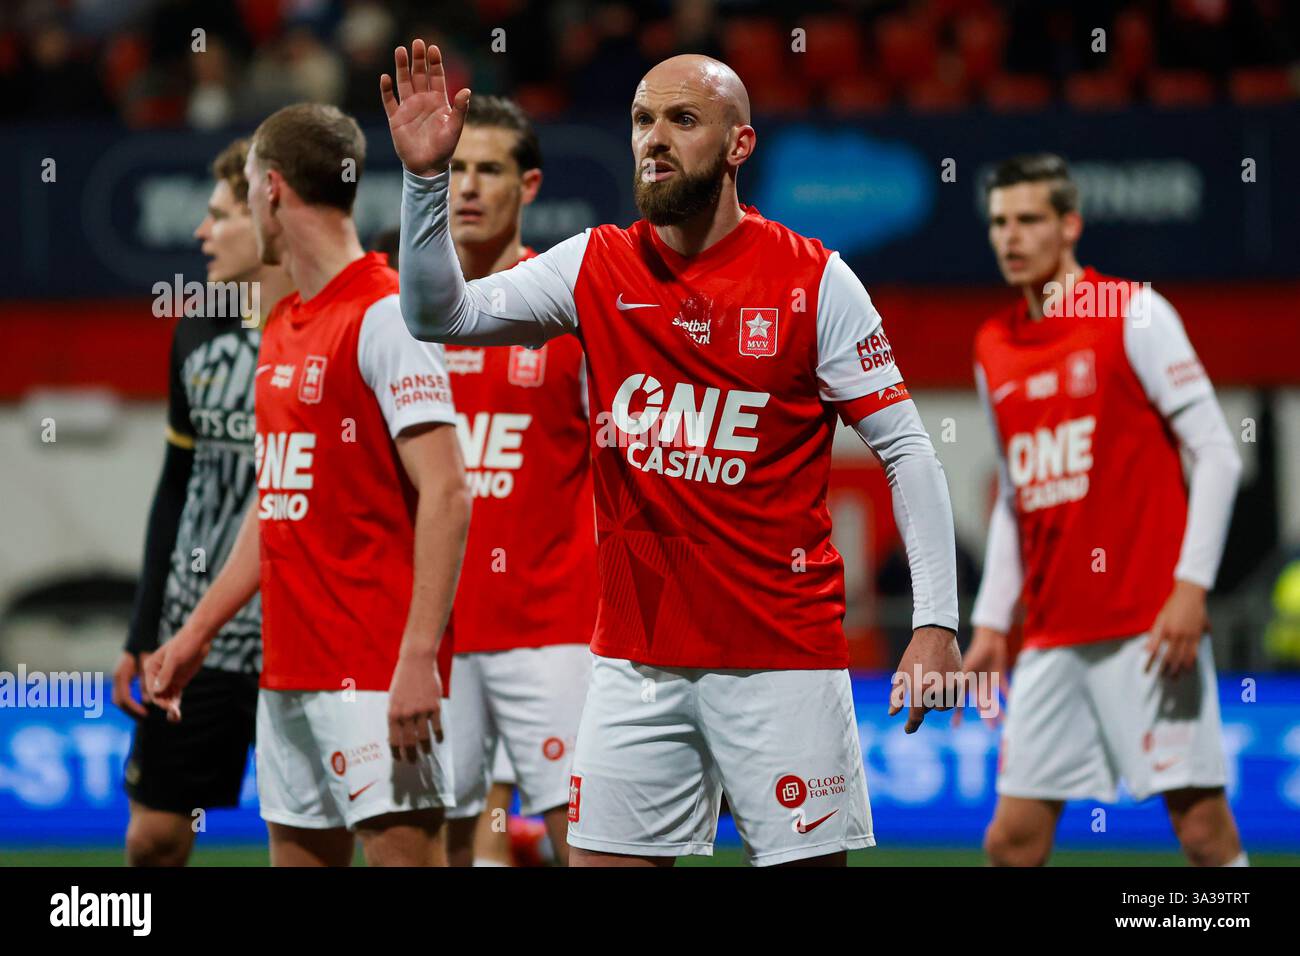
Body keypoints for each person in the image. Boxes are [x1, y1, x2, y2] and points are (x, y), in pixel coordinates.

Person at [385, 41, 961, 867]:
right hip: (634, 661)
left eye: (682, 120)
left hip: (780, 661)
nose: (654, 139)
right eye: (642, 121)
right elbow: (440, 315)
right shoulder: (595, 263)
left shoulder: (814, 281)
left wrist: (935, 622)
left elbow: (907, 449)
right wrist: (423, 181)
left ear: (738, 146)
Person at [147, 103, 471, 867]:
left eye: (248, 187)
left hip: (378, 673)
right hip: (287, 673)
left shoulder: (387, 315)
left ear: (273, 190)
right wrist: (196, 633)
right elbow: (277, 499)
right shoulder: (286, 323)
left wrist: (419, 656)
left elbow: (450, 491)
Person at [965, 153, 1247, 867]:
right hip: (1053, 637)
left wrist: (1189, 588)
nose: (1011, 237)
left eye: (1029, 220)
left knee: (1202, 829)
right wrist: (994, 621)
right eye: (999, 222)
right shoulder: (992, 346)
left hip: (1148, 627)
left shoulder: (1135, 312)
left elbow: (1218, 452)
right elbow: (1013, 496)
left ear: (1070, 226)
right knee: (1011, 841)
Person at [113, 138, 293, 866]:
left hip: (298, 637)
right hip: (197, 636)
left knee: (315, 839)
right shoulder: (195, 328)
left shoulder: (331, 327)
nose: (202, 232)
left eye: (221, 215)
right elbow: (174, 486)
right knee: (155, 839)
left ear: (267, 217)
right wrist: (143, 627)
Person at [438, 94, 597, 867]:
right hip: (435, 634)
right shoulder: (404, 312)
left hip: (554, 628)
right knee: (432, 843)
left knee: (590, 844)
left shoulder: (568, 309)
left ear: (527, 186)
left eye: (488, 170)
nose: (467, 187)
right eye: (455, 168)